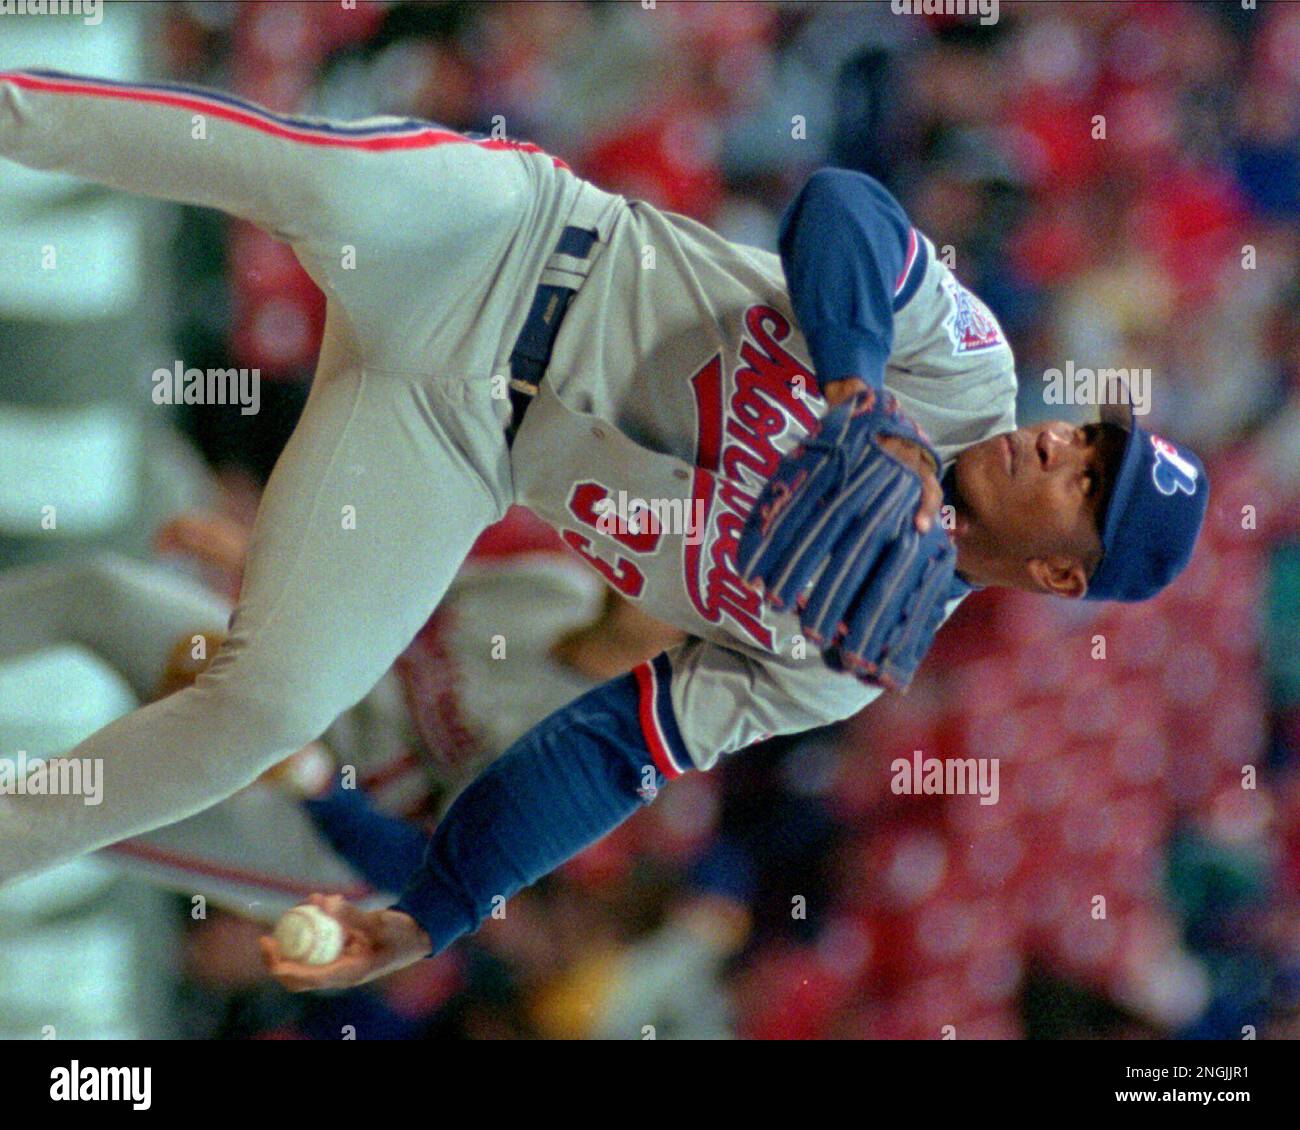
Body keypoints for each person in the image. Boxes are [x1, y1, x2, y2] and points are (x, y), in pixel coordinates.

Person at [0, 71, 1208, 990]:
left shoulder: (836, 658)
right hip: (507, 239)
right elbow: (840, 206)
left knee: (265, 707)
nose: (1061, 442)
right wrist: (857, 387)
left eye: (1086, 482)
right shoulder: (970, 370)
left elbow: (610, 750)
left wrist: (441, 906)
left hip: (455, 447)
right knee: (296, 169)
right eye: (1088, 434)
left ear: (1058, 571)